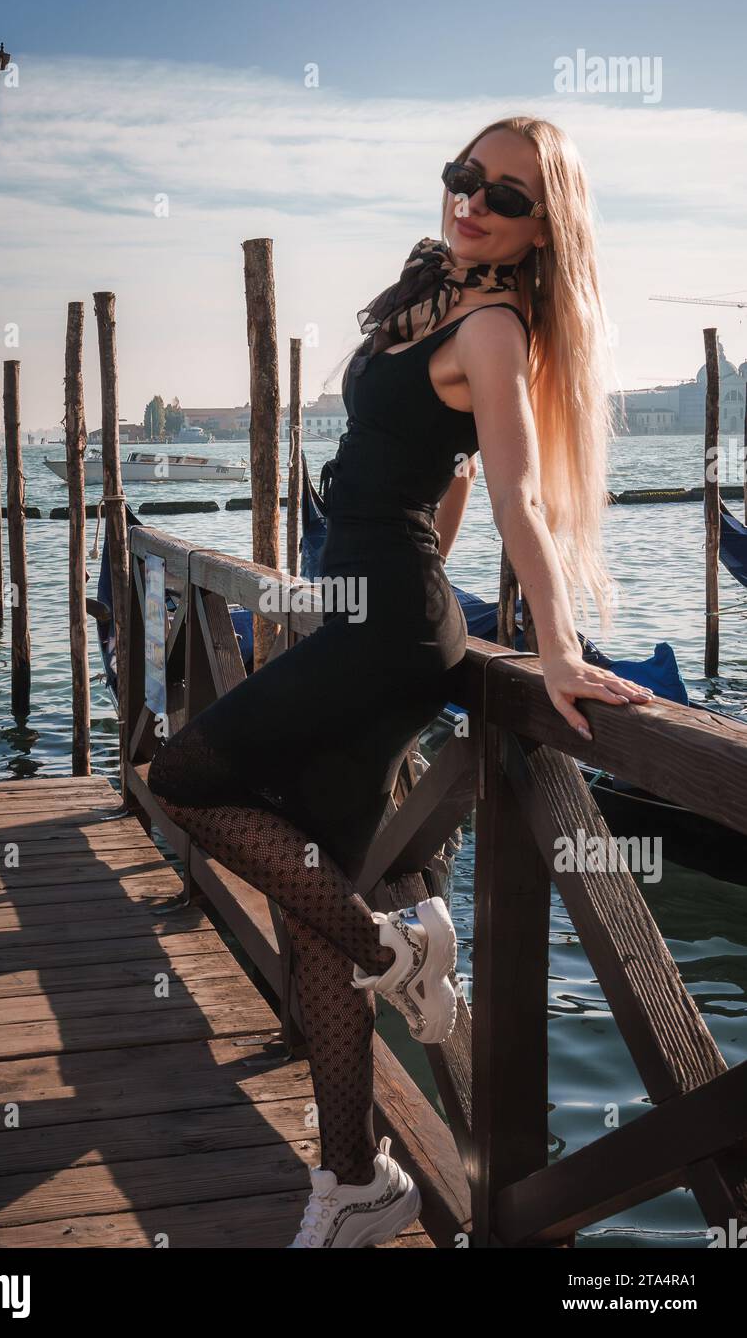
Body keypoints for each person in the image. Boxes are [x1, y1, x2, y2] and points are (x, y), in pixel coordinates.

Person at [147, 115, 654, 1249]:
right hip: (365, 612)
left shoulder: (490, 323)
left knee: (180, 775)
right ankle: (353, 1181)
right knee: (304, 887)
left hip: (387, 638)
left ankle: (393, 945)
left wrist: (560, 651)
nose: (474, 200)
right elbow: (454, 472)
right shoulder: (435, 289)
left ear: (541, 234)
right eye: (464, 176)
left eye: (508, 196)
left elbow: (519, 495)